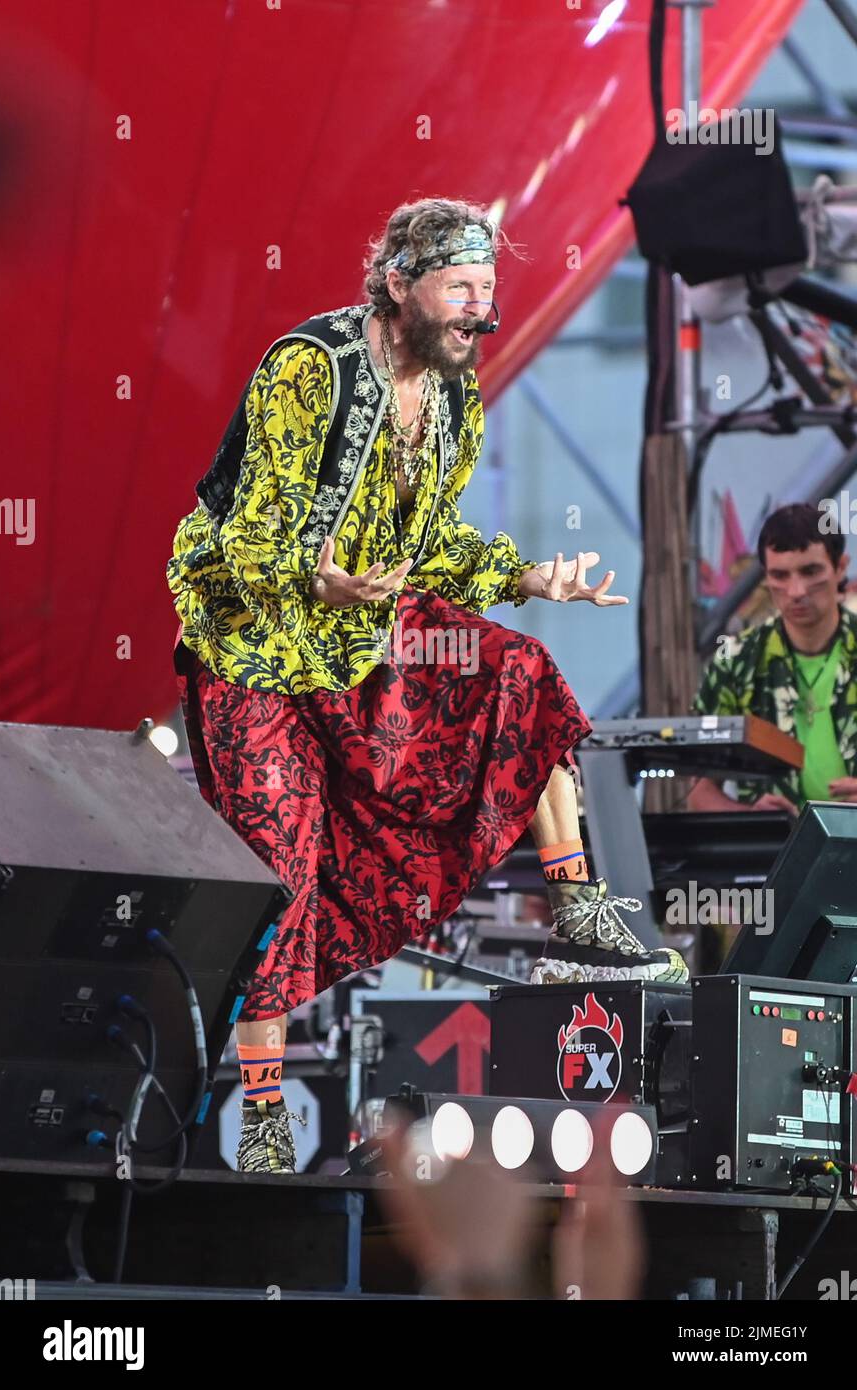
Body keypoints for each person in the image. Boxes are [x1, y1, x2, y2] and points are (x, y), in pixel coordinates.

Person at [167, 197, 688, 1175]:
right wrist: (312, 575)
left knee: (518, 673)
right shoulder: (308, 372)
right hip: (252, 636)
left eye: (490, 290)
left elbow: (435, 543)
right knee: (283, 855)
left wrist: (530, 576)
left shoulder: (455, 396)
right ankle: (266, 1112)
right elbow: (245, 540)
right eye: (462, 287)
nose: (481, 312)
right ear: (398, 284)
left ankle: (576, 905)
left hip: (362, 625)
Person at [690, 502, 857, 814]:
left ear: (840, 567)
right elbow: (699, 791)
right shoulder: (735, 661)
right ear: (765, 577)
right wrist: (752, 820)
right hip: (773, 856)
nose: (796, 591)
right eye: (780, 575)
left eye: (810, 571)